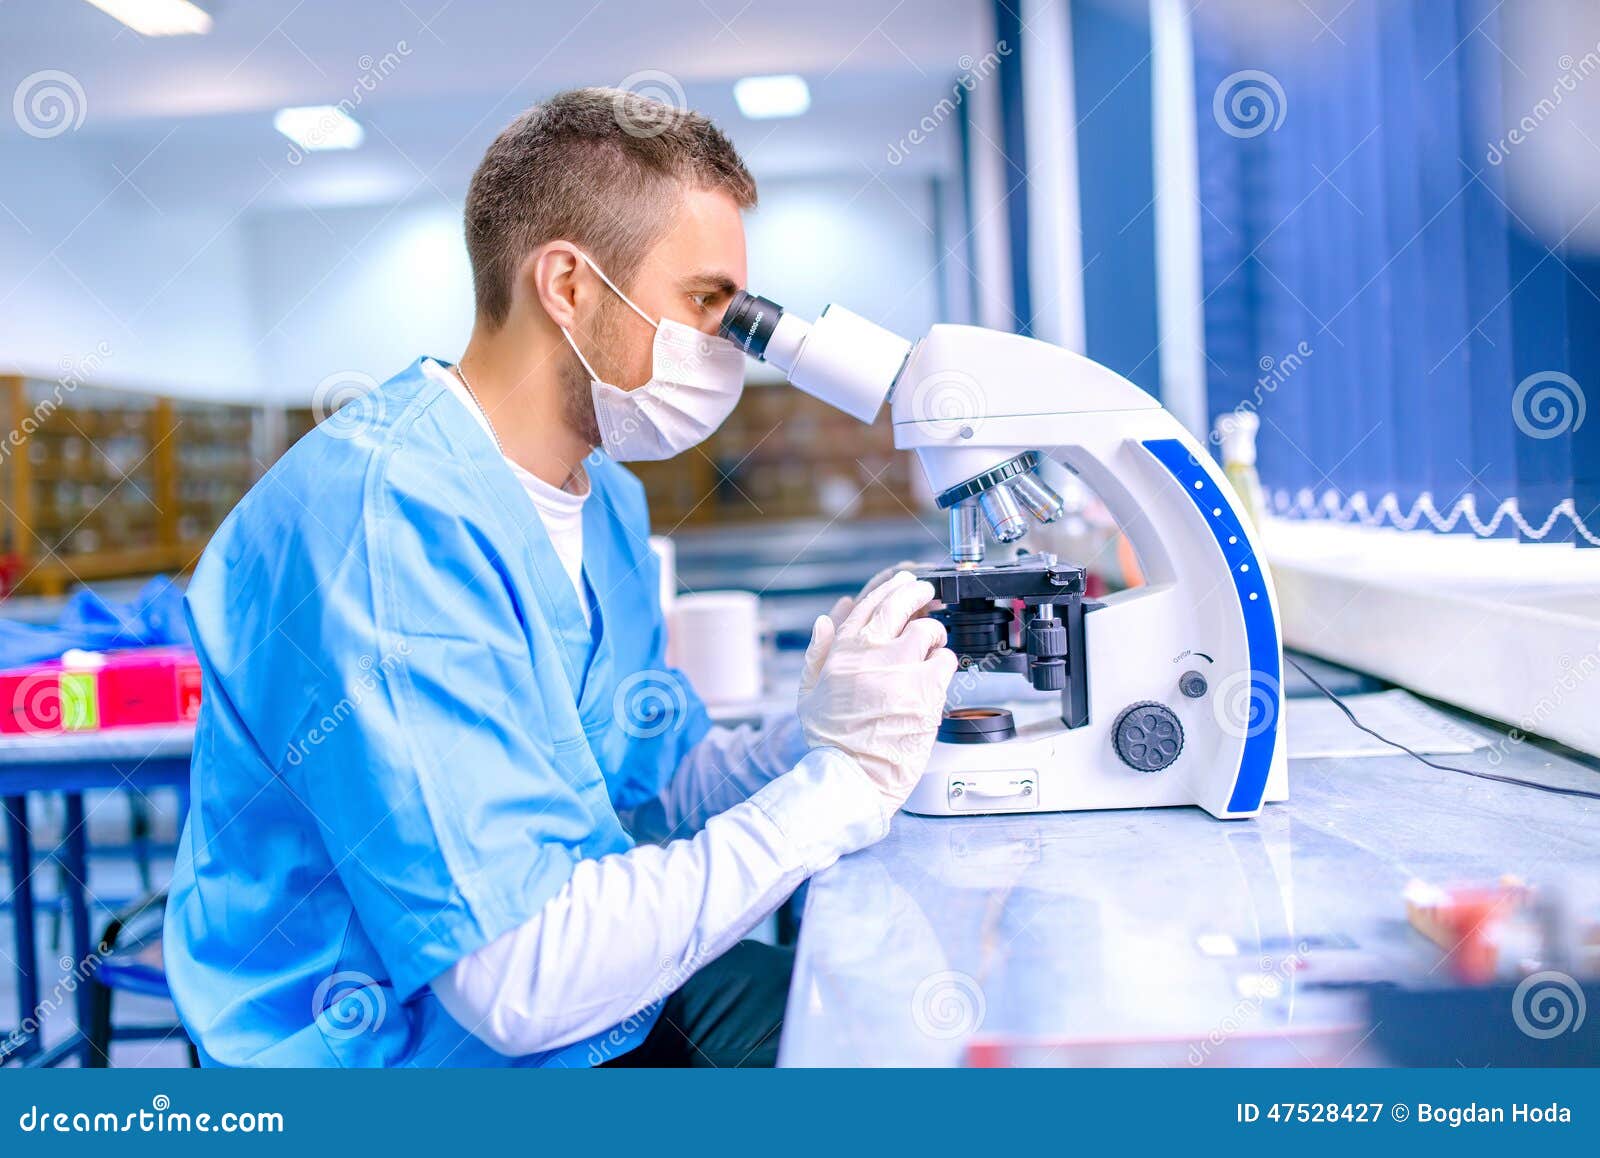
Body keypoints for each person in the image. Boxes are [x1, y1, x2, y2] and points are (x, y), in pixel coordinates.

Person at [163, 87, 957, 1068]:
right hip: (402, 1058)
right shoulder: (383, 521)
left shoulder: (606, 505)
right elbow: (518, 980)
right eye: (707, 303)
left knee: (881, 1013)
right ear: (569, 286)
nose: (727, 348)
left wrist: (833, 730)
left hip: (585, 1012)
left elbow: (649, 794)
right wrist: (841, 788)